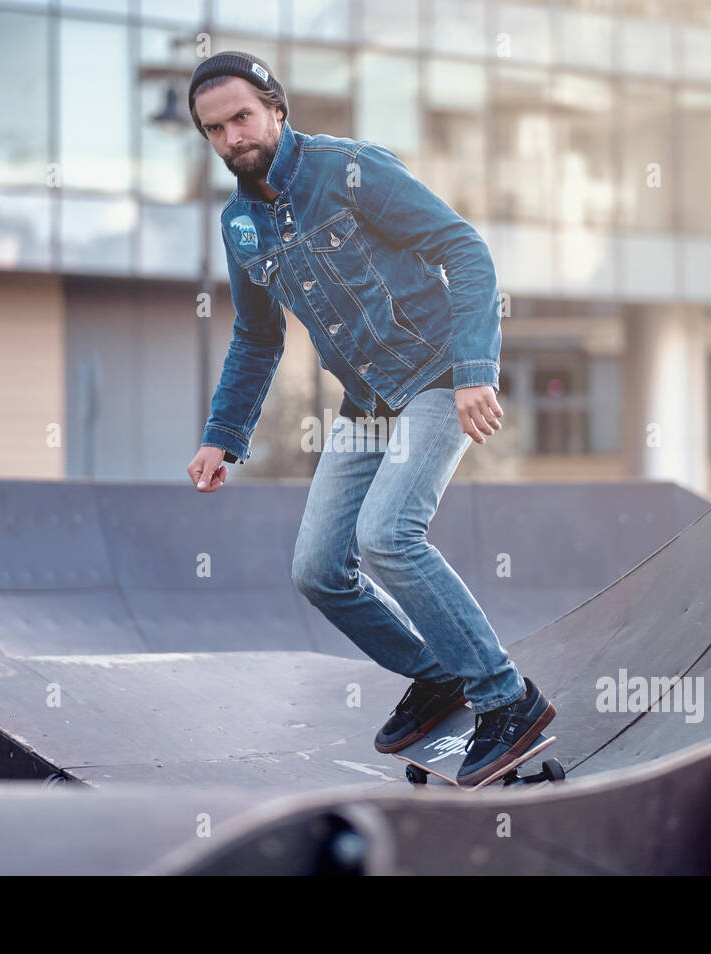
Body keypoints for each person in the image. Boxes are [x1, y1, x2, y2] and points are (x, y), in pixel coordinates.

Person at [183, 51, 555, 787]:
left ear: (276, 110)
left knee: (388, 534)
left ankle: (505, 697)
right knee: (318, 569)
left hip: (440, 378)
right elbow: (259, 335)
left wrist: (476, 371)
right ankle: (438, 672)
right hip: (369, 401)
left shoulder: (350, 170)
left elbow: (465, 248)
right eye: (214, 129)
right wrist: (223, 435)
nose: (232, 138)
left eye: (242, 118)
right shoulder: (239, 225)